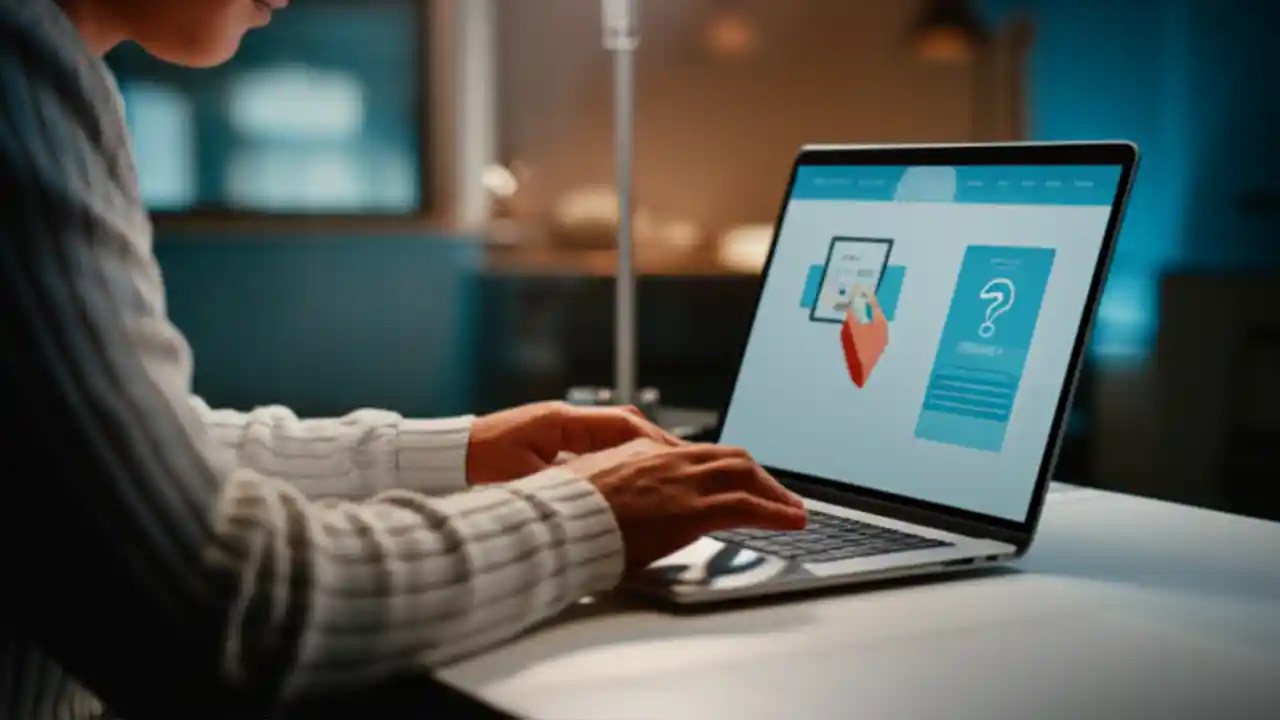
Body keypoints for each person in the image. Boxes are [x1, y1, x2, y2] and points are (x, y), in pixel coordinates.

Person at [0, 0, 809, 717]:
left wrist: (452, 452)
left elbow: (104, 459)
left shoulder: (54, 68)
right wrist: (589, 511)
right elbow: (220, 613)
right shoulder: (20, 73)